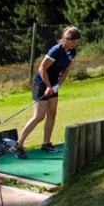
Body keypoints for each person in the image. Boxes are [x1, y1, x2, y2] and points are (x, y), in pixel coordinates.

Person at [17, 26, 81, 155]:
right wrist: (48, 86)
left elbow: (66, 70)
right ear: (65, 39)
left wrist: (57, 85)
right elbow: (42, 69)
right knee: (39, 116)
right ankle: (18, 145)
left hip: (53, 84)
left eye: (77, 42)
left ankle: (46, 143)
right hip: (41, 83)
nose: (75, 44)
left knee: (52, 113)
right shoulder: (55, 51)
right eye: (72, 41)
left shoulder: (72, 52)